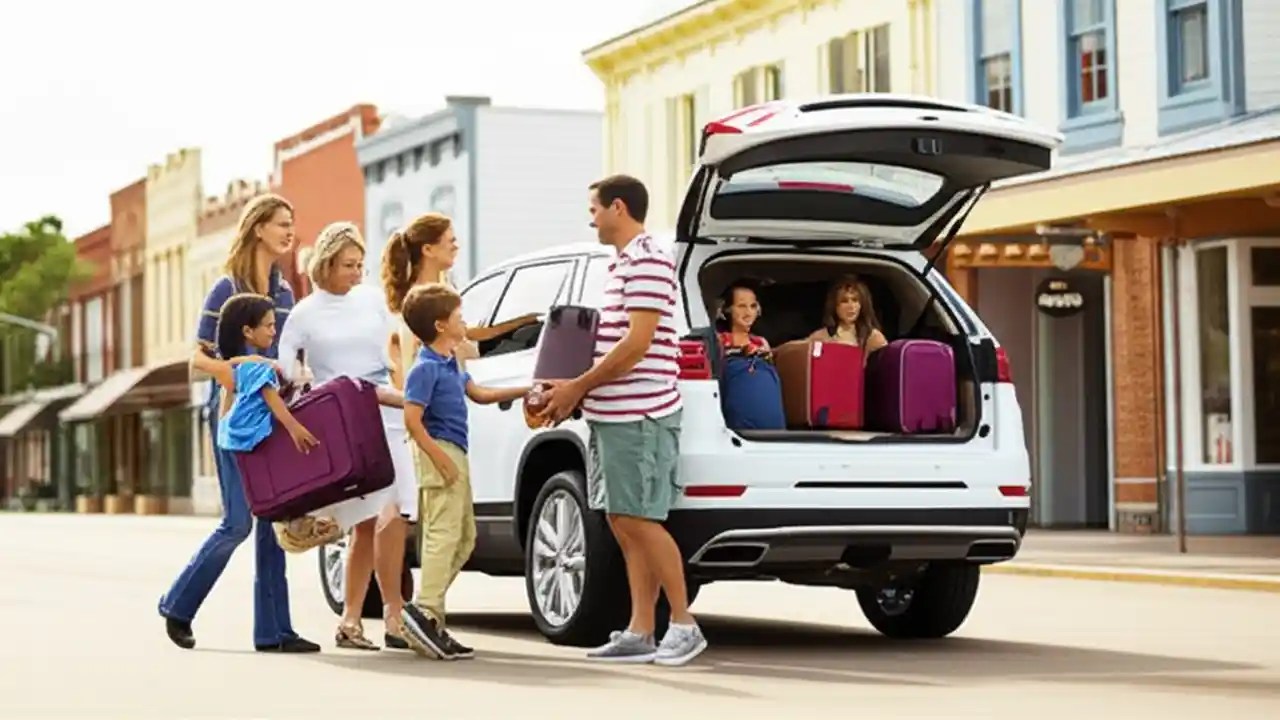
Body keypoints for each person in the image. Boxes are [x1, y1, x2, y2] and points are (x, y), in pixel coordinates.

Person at [538, 174, 707, 667]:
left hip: (641, 414)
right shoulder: (621, 264)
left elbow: (637, 344)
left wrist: (579, 386)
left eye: (594, 208)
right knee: (622, 521)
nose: (590, 218)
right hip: (613, 416)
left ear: (618, 207)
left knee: (640, 519)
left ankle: (684, 624)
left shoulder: (650, 260)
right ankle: (640, 629)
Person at [159, 193, 320, 653]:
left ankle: (274, 630)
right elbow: (197, 358)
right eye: (281, 223)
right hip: (233, 408)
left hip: (271, 406)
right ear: (257, 229)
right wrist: (237, 368)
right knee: (237, 522)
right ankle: (177, 604)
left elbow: (286, 353)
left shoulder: (286, 291)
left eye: (292, 223)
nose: (290, 231)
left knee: (271, 516)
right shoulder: (225, 289)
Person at [275, 221, 418, 652]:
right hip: (343, 424)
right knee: (366, 522)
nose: (358, 273)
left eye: (361, 265)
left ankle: (395, 614)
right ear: (327, 264)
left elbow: (392, 346)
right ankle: (352, 620)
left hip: (388, 412)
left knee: (398, 513)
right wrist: (302, 388)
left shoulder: (373, 301)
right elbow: (287, 371)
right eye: (348, 265)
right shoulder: (304, 314)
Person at [397, 283, 529, 660]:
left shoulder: (452, 360)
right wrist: (438, 457)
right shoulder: (424, 368)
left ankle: (429, 615)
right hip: (441, 451)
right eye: (459, 316)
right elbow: (412, 419)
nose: (465, 320)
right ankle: (425, 611)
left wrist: (528, 390)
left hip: (457, 451)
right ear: (440, 325)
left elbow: (480, 394)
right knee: (443, 532)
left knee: (465, 538)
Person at [212, 292, 337, 553]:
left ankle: (295, 525)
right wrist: (294, 427)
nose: (273, 331)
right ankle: (297, 528)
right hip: (253, 437)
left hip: (235, 438)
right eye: (268, 325)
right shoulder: (257, 367)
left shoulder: (239, 365)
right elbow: (272, 399)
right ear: (247, 331)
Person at [380, 212, 538, 382]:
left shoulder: (446, 288)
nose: (456, 247)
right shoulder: (419, 302)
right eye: (451, 241)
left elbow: (466, 331)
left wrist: (521, 321)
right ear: (428, 250)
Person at [806, 275, 888, 359]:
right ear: (835, 306)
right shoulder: (820, 337)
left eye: (855, 300)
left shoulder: (874, 338)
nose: (851, 306)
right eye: (844, 301)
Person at [716, 280, 770, 356]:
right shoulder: (718, 341)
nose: (748, 313)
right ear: (727, 309)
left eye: (753, 306)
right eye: (742, 306)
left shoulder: (761, 342)